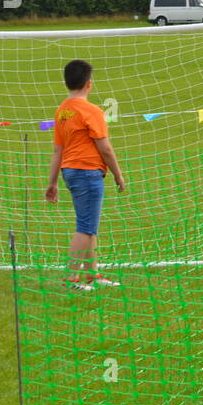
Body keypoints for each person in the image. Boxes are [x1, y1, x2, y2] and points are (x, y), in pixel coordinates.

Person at [45, 60, 126, 289]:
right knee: (85, 226)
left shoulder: (62, 110)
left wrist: (52, 183)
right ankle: (71, 278)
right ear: (89, 84)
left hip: (70, 172)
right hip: (87, 173)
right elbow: (106, 148)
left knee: (90, 225)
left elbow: (57, 150)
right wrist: (118, 175)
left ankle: (93, 275)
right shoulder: (92, 111)